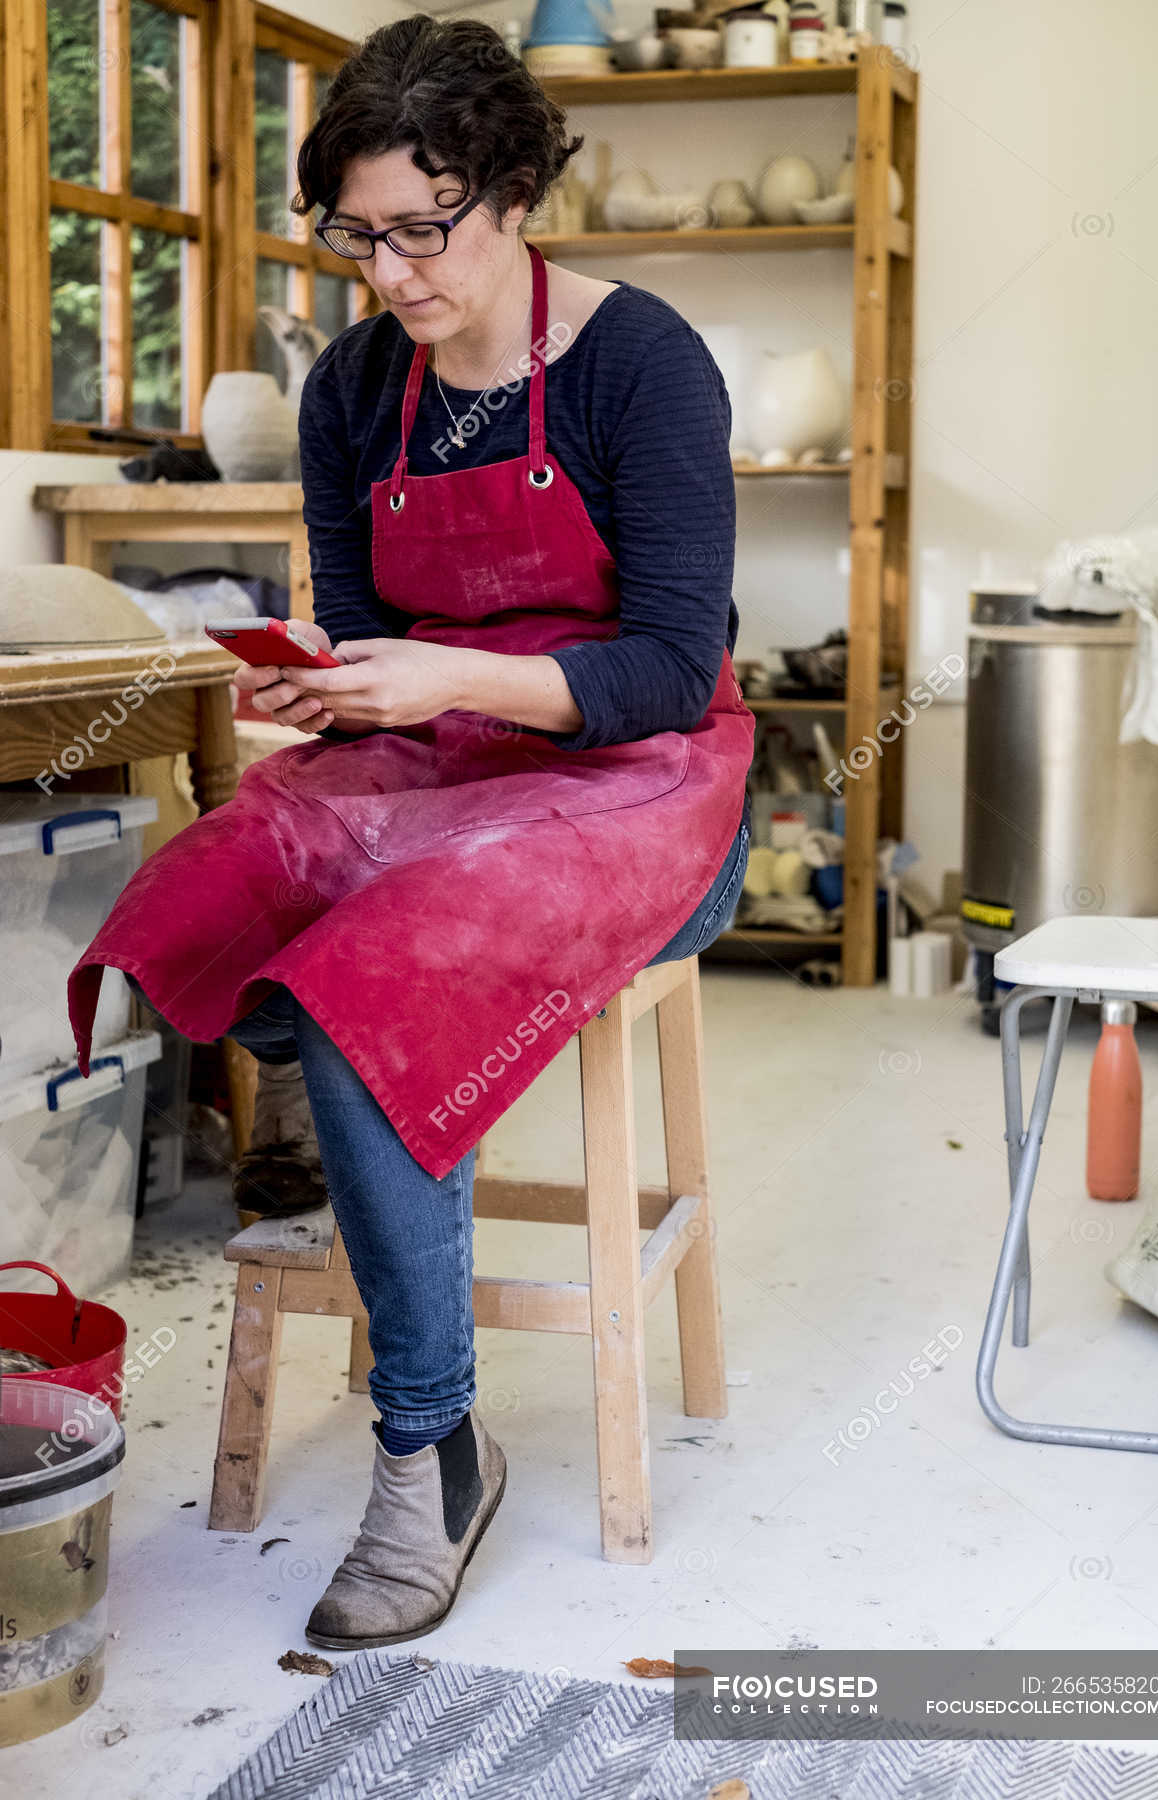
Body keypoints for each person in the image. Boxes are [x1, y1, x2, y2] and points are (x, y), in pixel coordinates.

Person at [67, 13, 755, 1650]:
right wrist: (332, 695)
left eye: (421, 230)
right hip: (441, 760)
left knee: (367, 985)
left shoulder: (641, 364)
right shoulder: (356, 391)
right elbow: (369, 633)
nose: (387, 272)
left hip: (644, 787)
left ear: (514, 191)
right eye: (356, 235)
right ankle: (385, 1181)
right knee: (214, 879)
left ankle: (427, 1445)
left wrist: (451, 674)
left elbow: (668, 664)